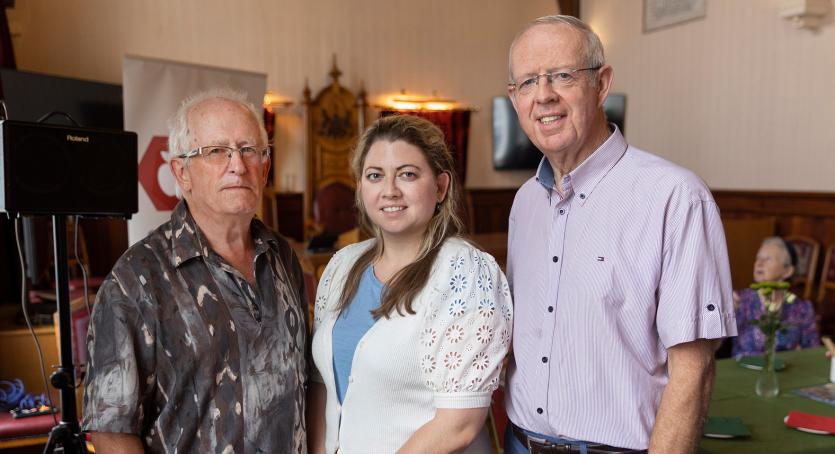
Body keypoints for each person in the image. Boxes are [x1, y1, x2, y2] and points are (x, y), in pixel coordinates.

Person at [504, 15, 737, 453]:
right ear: (514, 99)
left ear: (602, 83)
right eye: (527, 83)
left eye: (562, 75)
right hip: (517, 442)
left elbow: (694, 370)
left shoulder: (675, 197)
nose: (544, 96)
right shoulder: (524, 203)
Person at [82, 89, 309, 453]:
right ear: (181, 171)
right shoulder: (136, 279)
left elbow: (305, 386)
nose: (238, 164)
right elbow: (112, 429)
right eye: (216, 151)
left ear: (265, 168)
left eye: (249, 149)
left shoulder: (283, 256)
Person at [307, 115, 512, 453]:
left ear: (441, 187)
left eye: (407, 174)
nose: (390, 190)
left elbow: (458, 424)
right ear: (361, 187)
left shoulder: (465, 272)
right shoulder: (341, 265)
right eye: (375, 176)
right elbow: (321, 385)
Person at [732, 237, 820, 358]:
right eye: (758, 258)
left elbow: (814, 352)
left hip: (786, 373)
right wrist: (723, 314)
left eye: (768, 259)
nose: (759, 263)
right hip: (744, 371)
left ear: (788, 271)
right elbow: (714, 345)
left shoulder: (803, 308)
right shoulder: (738, 300)